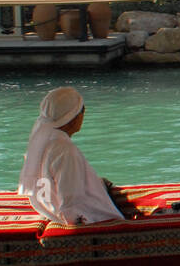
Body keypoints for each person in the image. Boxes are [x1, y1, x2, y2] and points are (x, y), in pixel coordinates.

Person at [18, 87, 137, 225]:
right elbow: (71, 202)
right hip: (88, 219)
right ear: (73, 117)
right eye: (82, 111)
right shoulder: (64, 150)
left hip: (48, 210)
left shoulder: (41, 142)